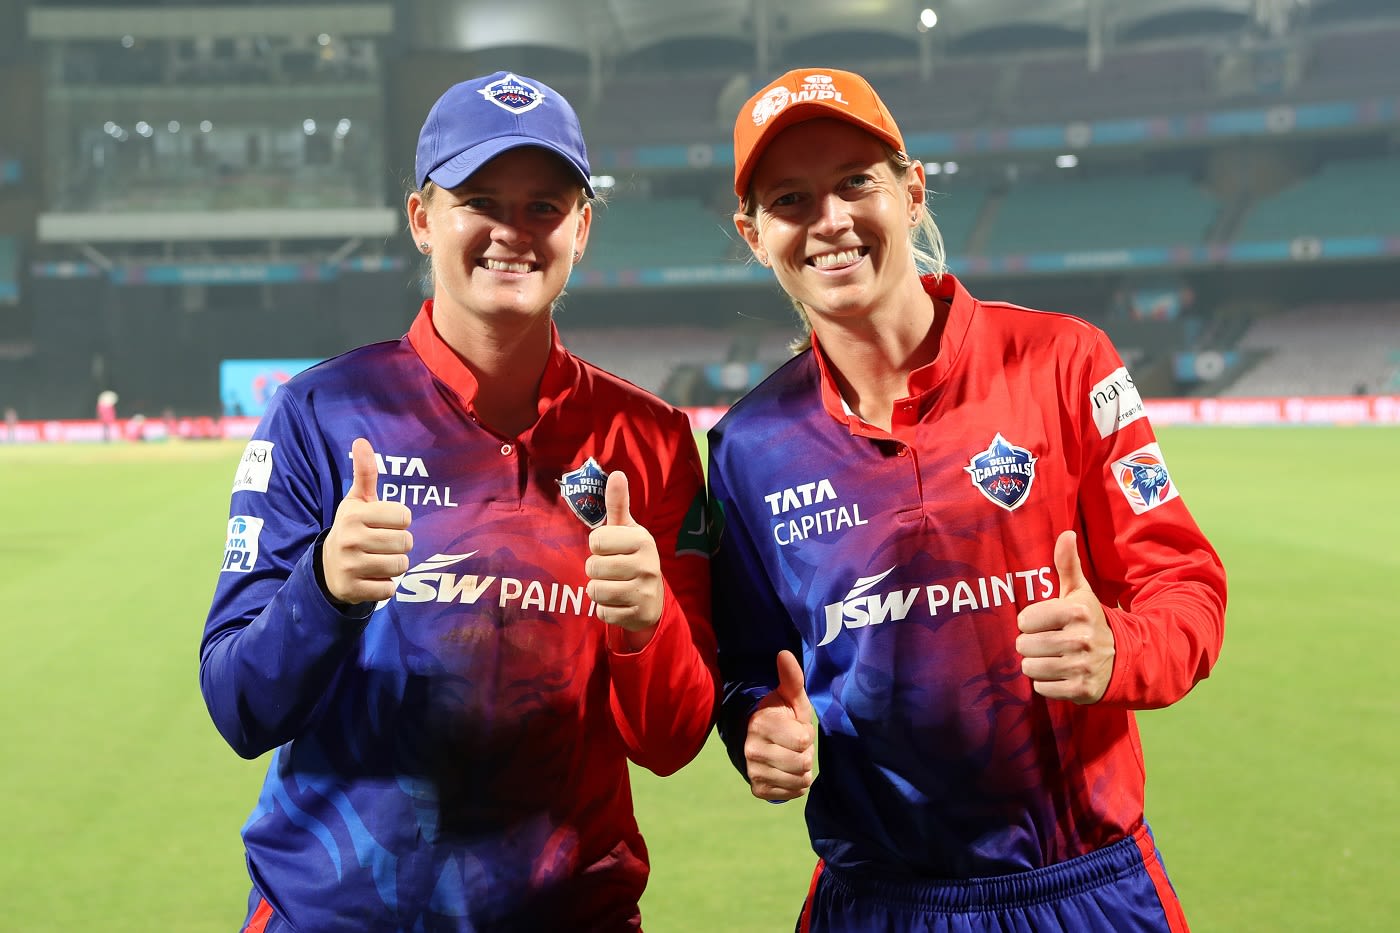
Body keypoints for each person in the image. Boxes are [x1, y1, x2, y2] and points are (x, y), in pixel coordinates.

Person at [707, 67, 1227, 933]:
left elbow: (1187, 586)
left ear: (911, 192)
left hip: (1082, 888)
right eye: (791, 198)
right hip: (878, 901)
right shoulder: (748, 446)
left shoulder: (1065, 361)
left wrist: (1119, 648)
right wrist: (756, 724)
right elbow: (750, 664)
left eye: (854, 183)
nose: (829, 219)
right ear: (755, 234)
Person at [200, 71, 718, 933]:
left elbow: (670, 741)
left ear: (582, 229)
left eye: (545, 206)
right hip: (338, 915)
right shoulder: (321, 413)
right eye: (480, 199)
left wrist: (645, 624)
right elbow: (239, 705)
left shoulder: (651, 439)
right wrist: (323, 589)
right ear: (422, 218)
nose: (513, 231)